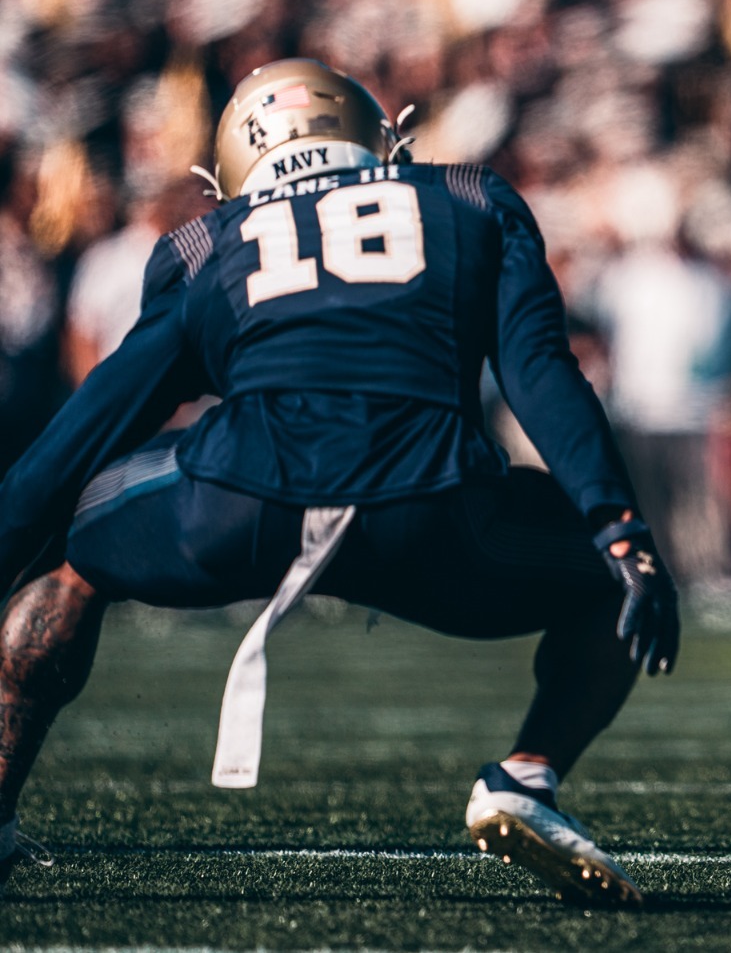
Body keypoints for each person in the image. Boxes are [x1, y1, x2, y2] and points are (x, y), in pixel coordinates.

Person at [0, 59, 680, 901]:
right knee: (603, 580)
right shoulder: (471, 198)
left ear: (232, 173)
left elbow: (86, 430)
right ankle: (526, 777)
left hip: (237, 507)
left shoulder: (205, 244)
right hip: (431, 512)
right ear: (374, 134)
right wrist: (619, 527)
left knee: (73, 558)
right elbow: (542, 374)